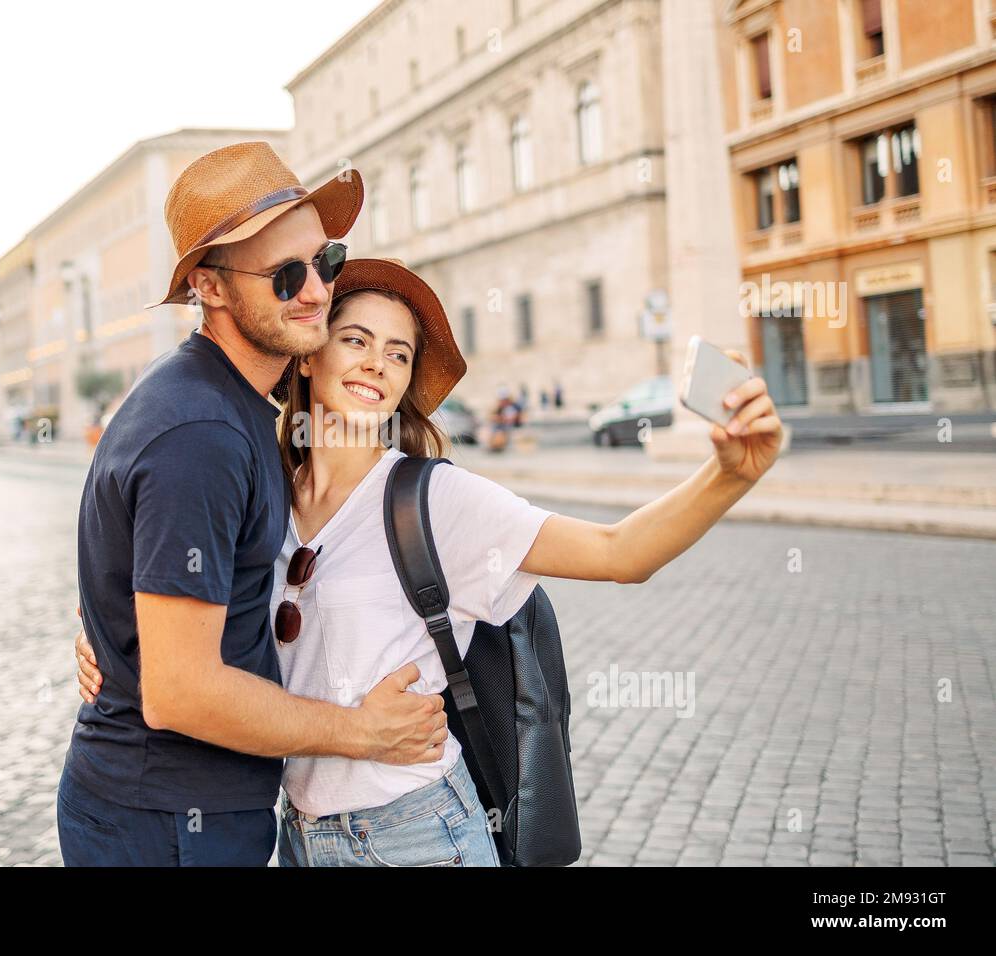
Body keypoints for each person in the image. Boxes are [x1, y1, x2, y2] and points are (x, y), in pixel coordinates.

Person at [77, 257, 785, 866]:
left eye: (398, 353)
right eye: (354, 339)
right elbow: (166, 573)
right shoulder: (256, 480)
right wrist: (96, 633)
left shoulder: (435, 499)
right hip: (296, 836)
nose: (377, 364)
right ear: (309, 353)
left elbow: (620, 552)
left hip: (417, 833)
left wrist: (731, 476)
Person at [56, 143, 447, 868]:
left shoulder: (221, 405)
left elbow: (141, 567)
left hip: (174, 813)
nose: (316, 292)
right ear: (210, 288)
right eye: (283, 275)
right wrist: (365, 733)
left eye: (325, 262)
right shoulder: (201, 433)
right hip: (168, 824)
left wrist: (109, 632)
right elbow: (180, 694)